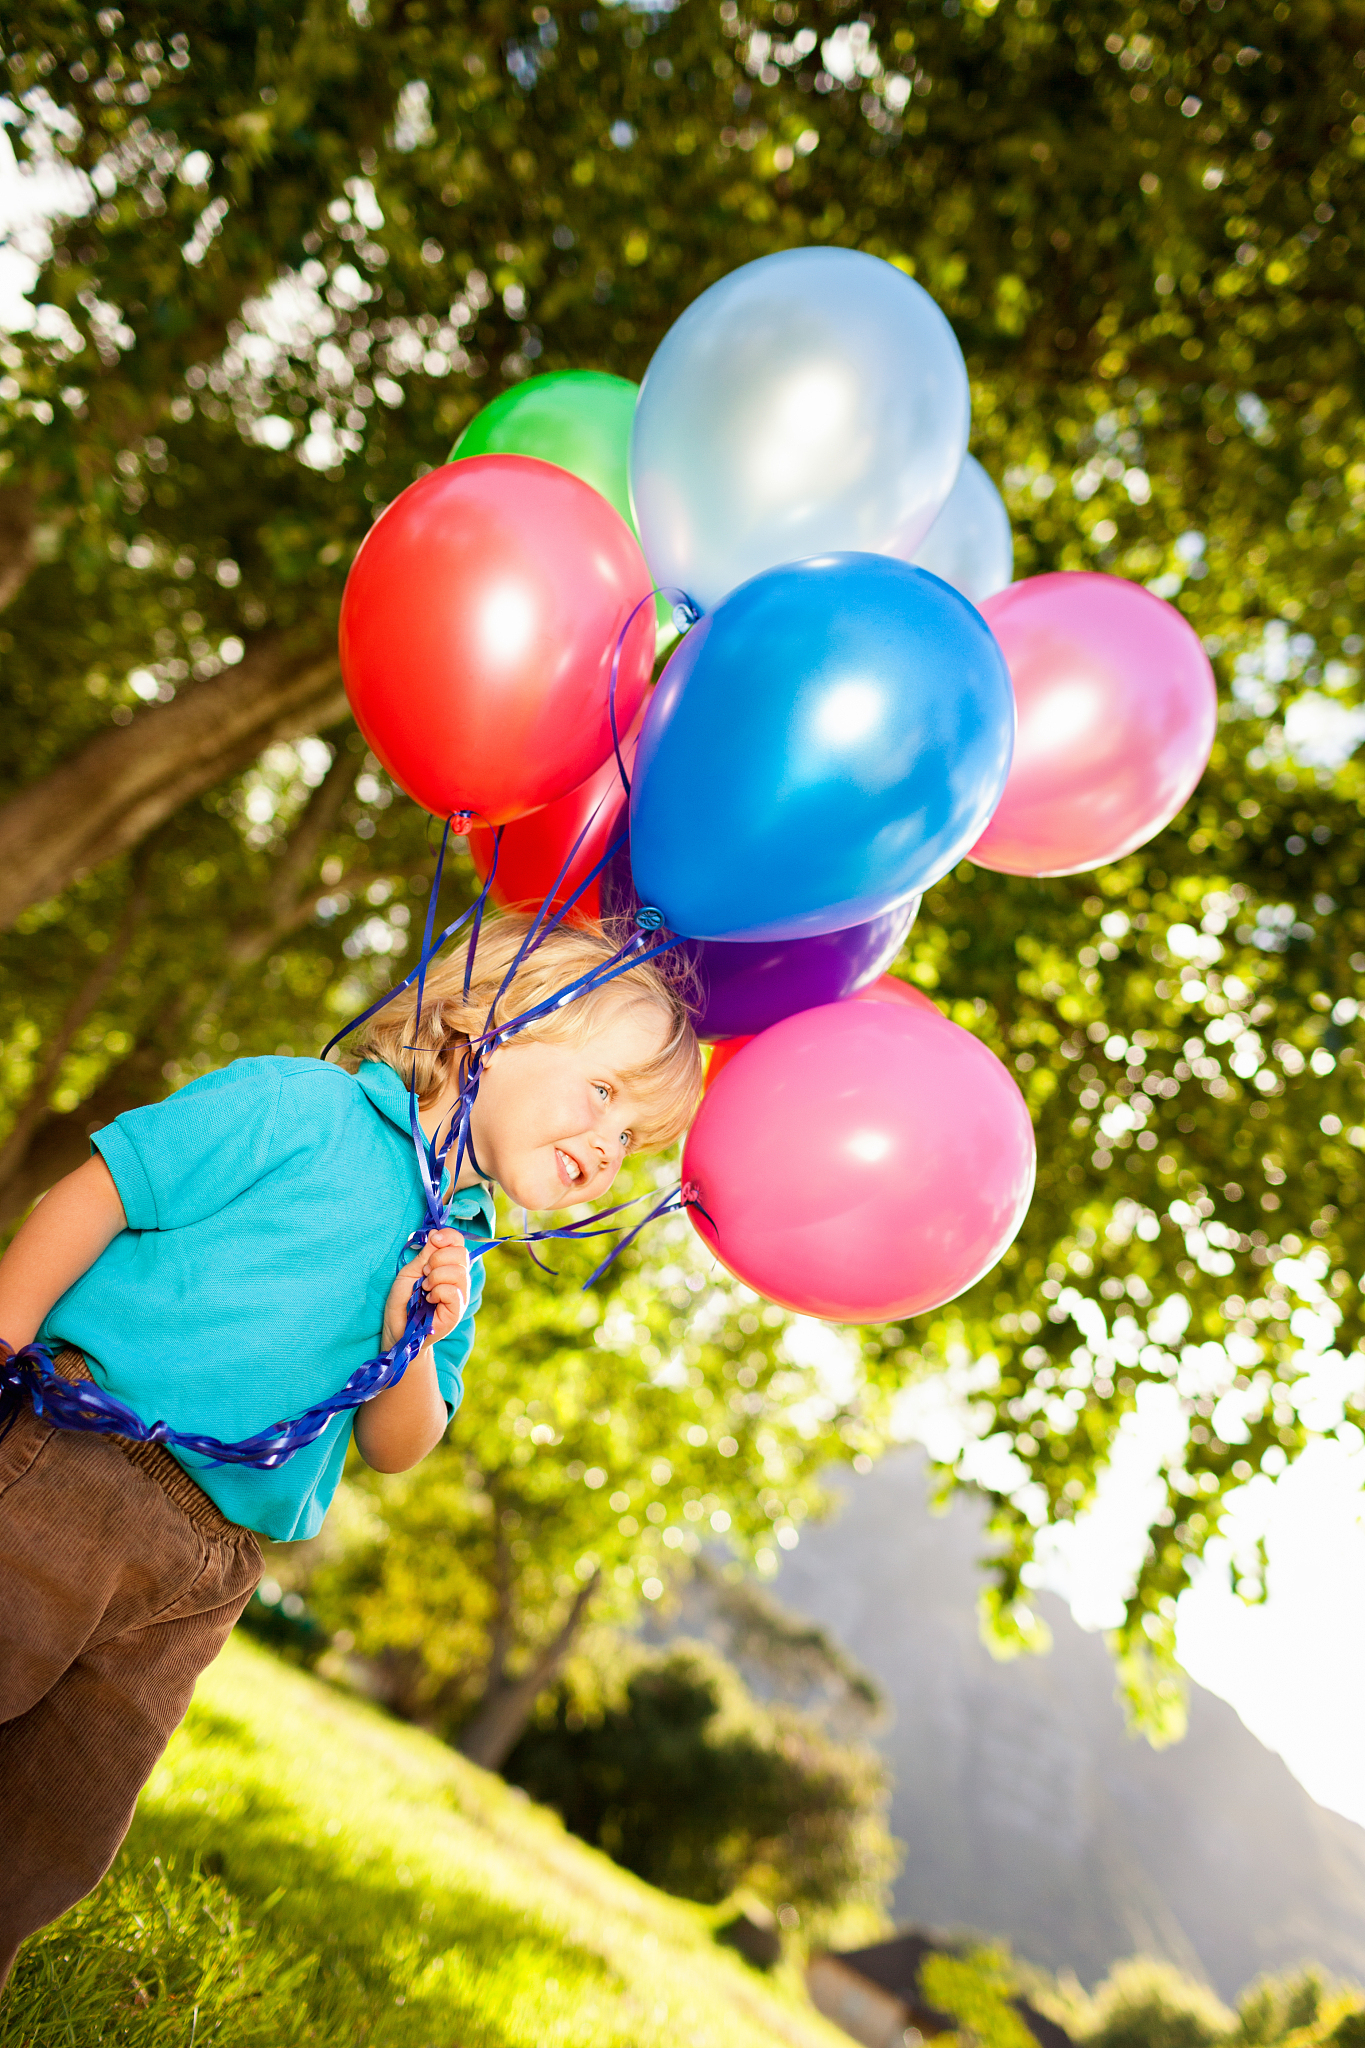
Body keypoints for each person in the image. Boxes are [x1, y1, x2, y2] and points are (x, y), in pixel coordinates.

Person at [0, 912, 701, 1985]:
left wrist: (410, 1340)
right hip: (76, 1463)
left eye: (634, 1142)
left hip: (216, 1559)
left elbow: (399, 1441)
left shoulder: (457, 1257)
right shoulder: (302, 1104)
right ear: (489, 1024)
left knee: (63, 1815)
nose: (609, 1147)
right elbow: (104, 1186)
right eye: (604, 1094)